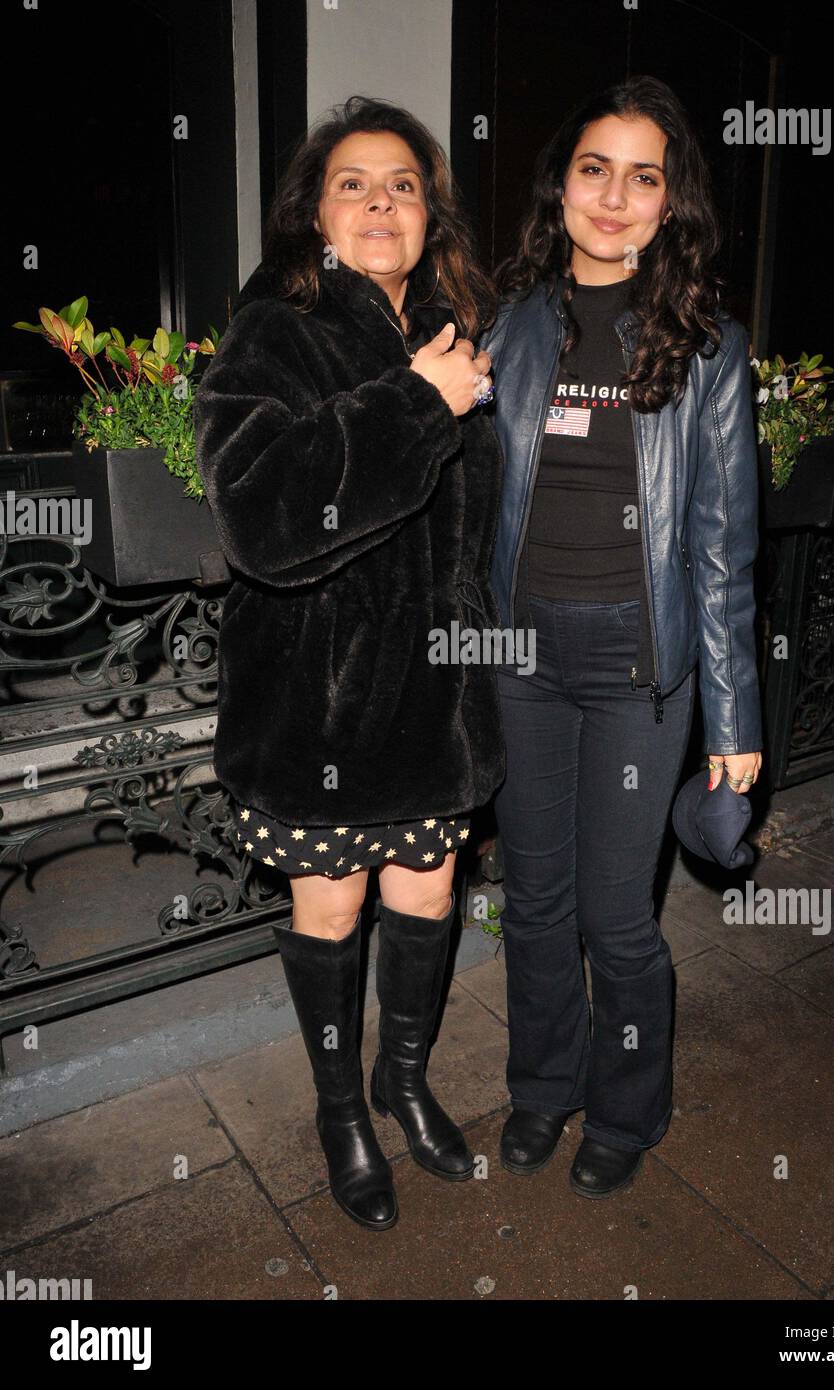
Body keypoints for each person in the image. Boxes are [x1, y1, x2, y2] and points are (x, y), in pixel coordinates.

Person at [194, 96, 503, 1232]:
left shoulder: (455, 327)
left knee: (428, 891)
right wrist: (418, 400)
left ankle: (404, 1080)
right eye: (354, 183)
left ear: (431, 216)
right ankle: (341, 1111)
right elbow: (269, 516)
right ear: (314, 215)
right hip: (319, 709)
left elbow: (472, 530)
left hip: (436, 701)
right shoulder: (275, 324)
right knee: (329, 912)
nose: (383, 200)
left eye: (405, 184)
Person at [480, 75, 764, 1198]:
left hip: (638, 669)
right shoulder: (507, 326)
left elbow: (722, 548)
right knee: (533, 900)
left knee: (616, 914)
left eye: (642, 176)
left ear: (669, 203)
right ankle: (542, 1085)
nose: (613, 195)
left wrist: (733, 722)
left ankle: (627, 1106)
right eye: (593, 168)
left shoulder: (706, 347)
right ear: (559, 186)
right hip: (519, 660)